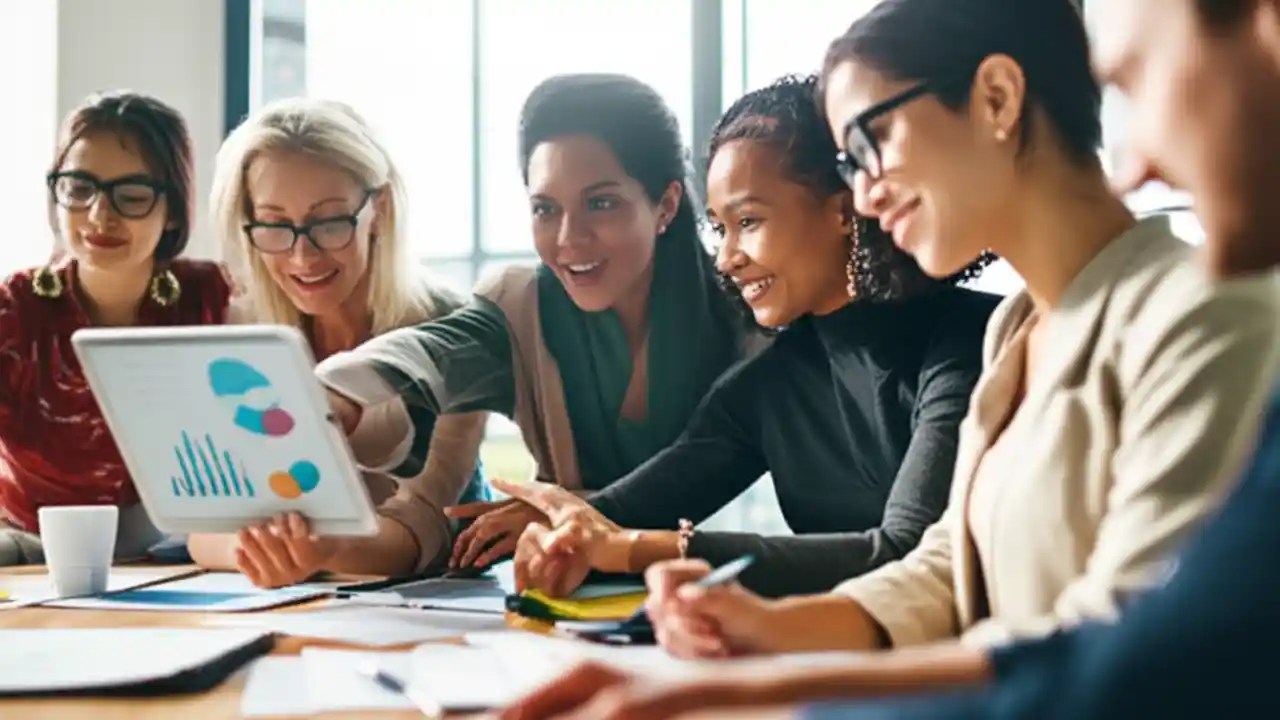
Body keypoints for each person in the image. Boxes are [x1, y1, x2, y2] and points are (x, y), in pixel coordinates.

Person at [497, 1, 1280, 717]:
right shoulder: (1016, 330)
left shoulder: (1202, 317)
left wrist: (765, 692)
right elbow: (945, 572)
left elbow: (1114, 656)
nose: (863, 197)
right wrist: (765, 633)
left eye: (870, 143)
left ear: (999, 100)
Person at [497, 75, 998, 600]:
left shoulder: (969, 344)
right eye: (720, 227)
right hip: (839, 663)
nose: (726, 257)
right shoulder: (769, 385)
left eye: (749, 220)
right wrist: (562, 536)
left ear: (845, 210)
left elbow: (906, 555)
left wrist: (634, 548)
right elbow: (620, 516)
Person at [318, 74, 745, 571]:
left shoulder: (742, 316)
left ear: (666, 204)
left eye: (600, 203)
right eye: (545, 208)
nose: (569, 237)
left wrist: (559, 511)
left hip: (717, 588)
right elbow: (433, 350)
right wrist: (336, 393)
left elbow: (696, 474)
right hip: (555, 588)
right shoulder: (521, 308)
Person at [186, 98, 489, 587]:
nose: (302, 256)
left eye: (329, 223)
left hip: (433, 612)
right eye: (276, 225)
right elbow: (203, 526)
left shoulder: (454, 326)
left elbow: (424, 528)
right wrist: (265, 551)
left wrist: (317, 550)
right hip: (292, 604)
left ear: (380, 209)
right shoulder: (241, 329)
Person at [0, 91, 231, 566]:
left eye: (131, 196)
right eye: (79, 187)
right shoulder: (15, 311)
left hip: (193, 557)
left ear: (172, 210)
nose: (101, 216)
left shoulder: (215, 299)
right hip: (37, 556)